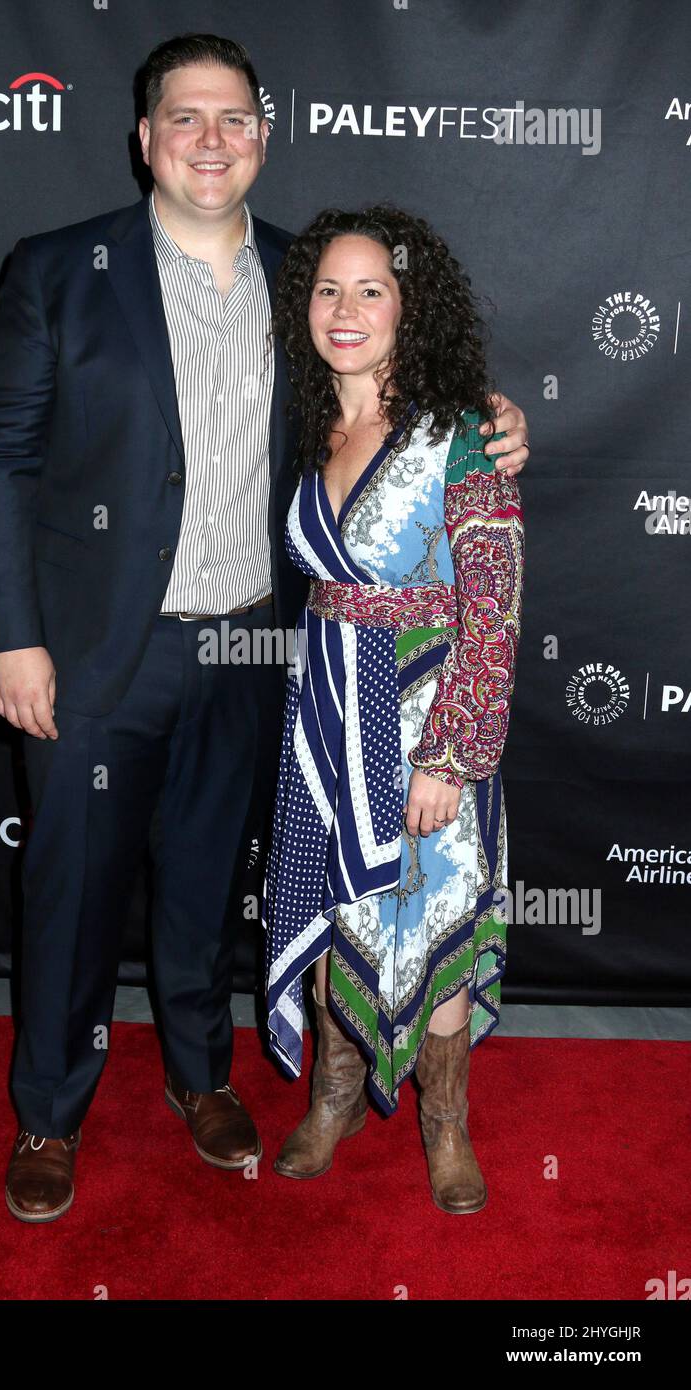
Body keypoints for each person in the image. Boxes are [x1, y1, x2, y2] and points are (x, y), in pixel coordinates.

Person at [0, 33, 530, 1224]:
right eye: (185, 117)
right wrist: (11, 636)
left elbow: (392, 389)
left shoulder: (300, 280)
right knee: (68, 891)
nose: (209, 139)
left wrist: (487, 407)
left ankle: (200, 1077)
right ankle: (49, 1113)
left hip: (258, 652)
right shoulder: (58, 270)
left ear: (262, 137)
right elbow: (0, 456)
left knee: (207, 887)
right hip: (90, 654)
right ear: (145, 138)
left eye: (233, 118)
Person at [263, 204, 525, 1213]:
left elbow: (492, 606)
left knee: (433, 926)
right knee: (333, 924)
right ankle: (330, 1099)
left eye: (370, 288)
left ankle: (444, 1123)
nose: (345, 306)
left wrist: (450, 757)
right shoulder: (303, 423)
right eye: (327, 287)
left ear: (409, 308)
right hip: (324, 721)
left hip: (423, 730)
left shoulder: (462, 434)